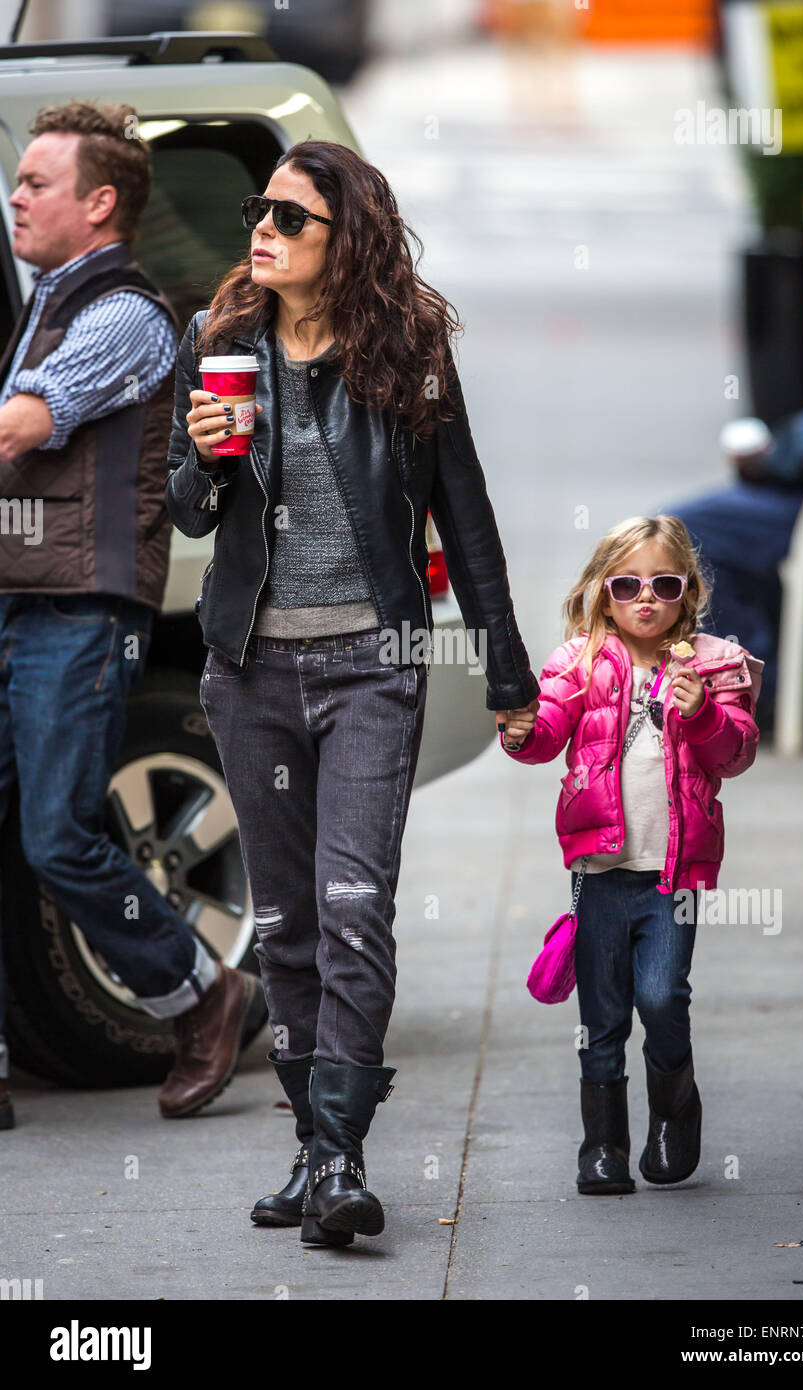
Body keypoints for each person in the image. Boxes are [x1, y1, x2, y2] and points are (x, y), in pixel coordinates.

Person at [165, 139, 540, 1245]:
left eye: (287, 217)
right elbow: (188, 515)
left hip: (371, 664)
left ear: (347, 237)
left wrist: (507, 673)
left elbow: (461, 517)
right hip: (251, 672)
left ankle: (338, 1156)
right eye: (256, 213)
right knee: (281, 923)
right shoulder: (221, 339)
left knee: (351, 909)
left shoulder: (405, 348)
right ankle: (310, 1150)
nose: (261, 232)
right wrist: (201, 457)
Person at [0, 101, 263, 1132]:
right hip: (23, 602)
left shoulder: (125, 314)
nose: (15, 196)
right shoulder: (47, 300)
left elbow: (22, 427)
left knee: (62, 835)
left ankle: (200, 992)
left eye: (36, 182)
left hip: (84, 610)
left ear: (99, 203)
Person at [500, 516, 762, 1193]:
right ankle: (603, 1145)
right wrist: (522, 729)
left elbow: (735, 753)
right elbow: (547, 732)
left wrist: (702, 710)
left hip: (671, 876)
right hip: (601, 876)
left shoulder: (712, 664)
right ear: (604, 591)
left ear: (689, 591)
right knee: (604, 1014)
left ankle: (675, 1112)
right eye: (627, 584)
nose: (645, 598)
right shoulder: (580, 662)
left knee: (662, 995)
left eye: (664, 584)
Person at [668, 231, 803, 728]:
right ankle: (791, 688)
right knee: (703, 527)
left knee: (687, 531)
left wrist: (772, 457)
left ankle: (750, 696)